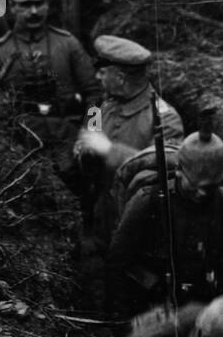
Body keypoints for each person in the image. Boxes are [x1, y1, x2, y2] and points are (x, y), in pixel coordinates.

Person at [105, 115, 223, 318]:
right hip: (154, 300)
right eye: (196, 186)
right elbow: (117, 261)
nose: (202, 194)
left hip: (208, 300)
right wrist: (124, 319)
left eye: (210, 187)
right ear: (180, 170)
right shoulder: (147, 202)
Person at [0, 0, 101, 179]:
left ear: (48, 3)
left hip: (69, 140)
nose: (34, 11)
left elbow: (95, 95)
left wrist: (91, 131)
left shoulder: (68, 44)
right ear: (12, 6)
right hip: (22, 146)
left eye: (40, 3)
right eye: (25, 5)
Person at [74, 35, 184, 257]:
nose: (96, 77)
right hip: (102, 219)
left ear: (121, 78)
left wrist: (109, 150)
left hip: (140, 231)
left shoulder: (165, 119)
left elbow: (162, 172)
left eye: (102, 72)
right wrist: (83, 151)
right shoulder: (102, 105)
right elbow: (87, 135)